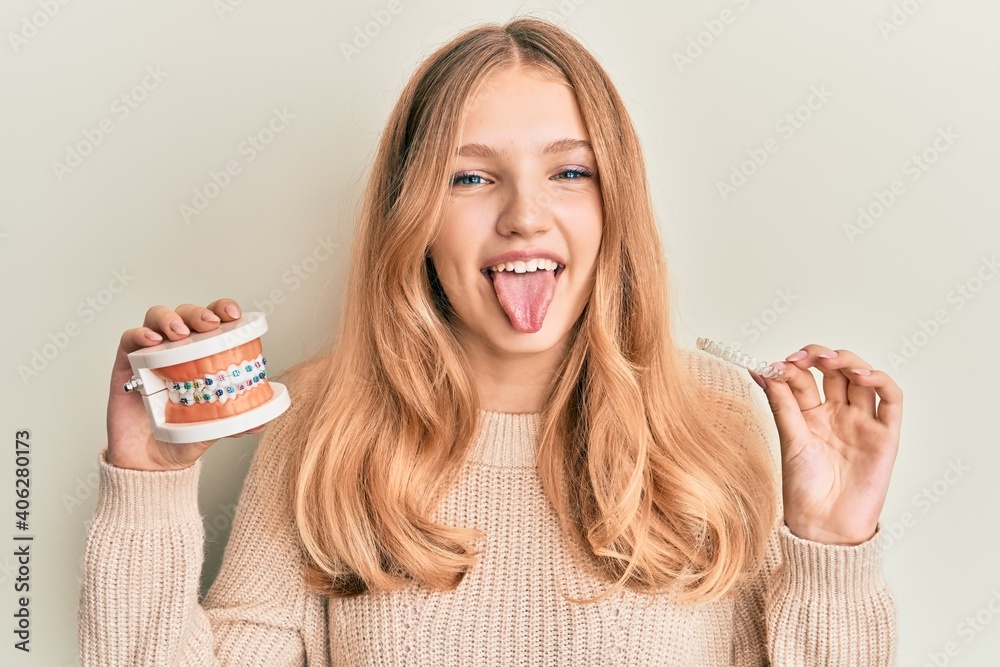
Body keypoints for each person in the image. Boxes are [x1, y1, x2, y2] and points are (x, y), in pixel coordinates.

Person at [78, 17, 902, 666]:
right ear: (414, 214)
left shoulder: (716, 416)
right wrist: (147, 485)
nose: (524, 215)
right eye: (469, 176)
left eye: (569, 171)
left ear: (613, 204)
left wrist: (830, 548)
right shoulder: (324, 422)